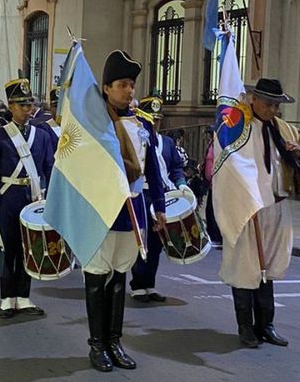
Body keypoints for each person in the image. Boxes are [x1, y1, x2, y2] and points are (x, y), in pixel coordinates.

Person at [217, 78, 300, 349]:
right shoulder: (239, 127)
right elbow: (224, 162)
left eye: (276, 104)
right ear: (254, 100)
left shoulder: (284, 129)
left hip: (276, 205)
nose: (273, 109)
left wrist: (299, 155)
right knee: (244, 268)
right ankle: (245, 327)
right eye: (269, 103)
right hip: (247, 207)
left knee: (269, 268)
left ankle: (267, 325)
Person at [82, 51, 166, 372]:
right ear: (106, 88)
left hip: (134, 210)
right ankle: (97, 345)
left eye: (131, 84)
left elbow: (153, 170)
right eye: (122, 84)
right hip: (102, 210)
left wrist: (159, 206)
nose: (129, 90)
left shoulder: (143, 124)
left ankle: (115, 341)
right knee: (96, 276)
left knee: (119, 276)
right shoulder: (92, 123)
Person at [0, 78, 54, 318]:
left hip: (32, 198)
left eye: (29, 105)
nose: (27, 109)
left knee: (29, 248)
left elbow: (48, 168)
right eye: (22, 105)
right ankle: (6, 298)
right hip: (8, 197)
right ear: (11, 107)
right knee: (8, 249)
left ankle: (23, 297)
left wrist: (48, 199)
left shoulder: (42, 136)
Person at [129, 95, 187, 303]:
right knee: (141, 240)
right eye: (152, 119)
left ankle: (149, 284)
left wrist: (181, 184)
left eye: (158, 119)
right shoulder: (136, 141)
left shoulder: (168, 143)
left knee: (156, 243)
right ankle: (137, 284)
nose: (156, 123)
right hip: (143, 194)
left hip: (162, 195)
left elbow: (177, 167)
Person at [200, 125, 223, 248]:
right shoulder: (211, 144)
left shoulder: (217, 145)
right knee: (210, 209)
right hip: (210, 183)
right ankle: (212, 233)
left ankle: (216, 236)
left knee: (213, 210)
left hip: (216, 183)